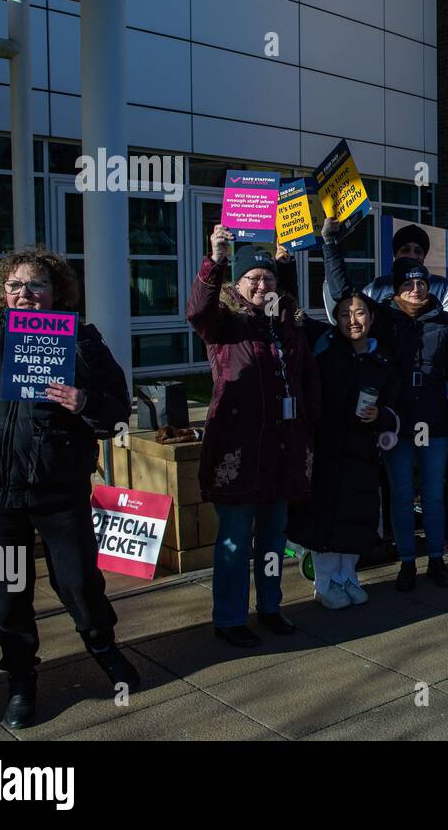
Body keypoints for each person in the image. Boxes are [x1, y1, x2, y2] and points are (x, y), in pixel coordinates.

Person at [0, 246, 137, 728]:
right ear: (2, 293)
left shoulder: (81, 342)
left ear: (55, 291)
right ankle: (21, 680)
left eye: (36, 284)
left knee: (80, 583)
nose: (25, 294)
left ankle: (104, 650)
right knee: (5, 592)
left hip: (57, 490)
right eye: (15, 285)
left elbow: (116, 408)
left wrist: (84, 401)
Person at [188, 228, 321, 647]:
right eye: (253, 279)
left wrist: (285, 264)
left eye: (268, 278)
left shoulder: (287, 326)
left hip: (282, 452)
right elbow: (198, 311)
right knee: (233, 541)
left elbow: (306, 380)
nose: (262, 285)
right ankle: (228, 618)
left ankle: (270, 607)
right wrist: (216, 259)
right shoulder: (225, 324)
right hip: (239, 452)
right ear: (238, 284)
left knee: (272, 539)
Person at [287, 287, 399, 608]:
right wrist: (285, 267)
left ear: (372, 317)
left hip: (362, 452)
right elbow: (293, 313)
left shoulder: (382, 359)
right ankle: (325, 583)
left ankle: (348, 576)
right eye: (344, 314)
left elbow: (393, 406)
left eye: (360, 312)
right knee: (326, 515)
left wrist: (380, 416)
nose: (353, 320)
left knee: (355, 515)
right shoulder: (325, 346)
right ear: (335, 319)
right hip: (327, 449)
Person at [377, 256, 448, 591]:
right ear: (397, 288)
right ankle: (406, 562)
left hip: (433, 419)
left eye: (421, 283)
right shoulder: (383, 319)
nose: (416, 290)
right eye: (408, 284)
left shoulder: (446, 323)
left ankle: (435, 558)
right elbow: (344, 297)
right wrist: (331, 245)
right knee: (401, 494)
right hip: (397, 421)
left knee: (434, 494)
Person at [359, 223, 448, 315]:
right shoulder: (376, 288)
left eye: (418, 251)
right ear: (396, 255)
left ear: (424, 257)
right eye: (406, 250)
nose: (412, 256)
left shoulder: (442, 287)